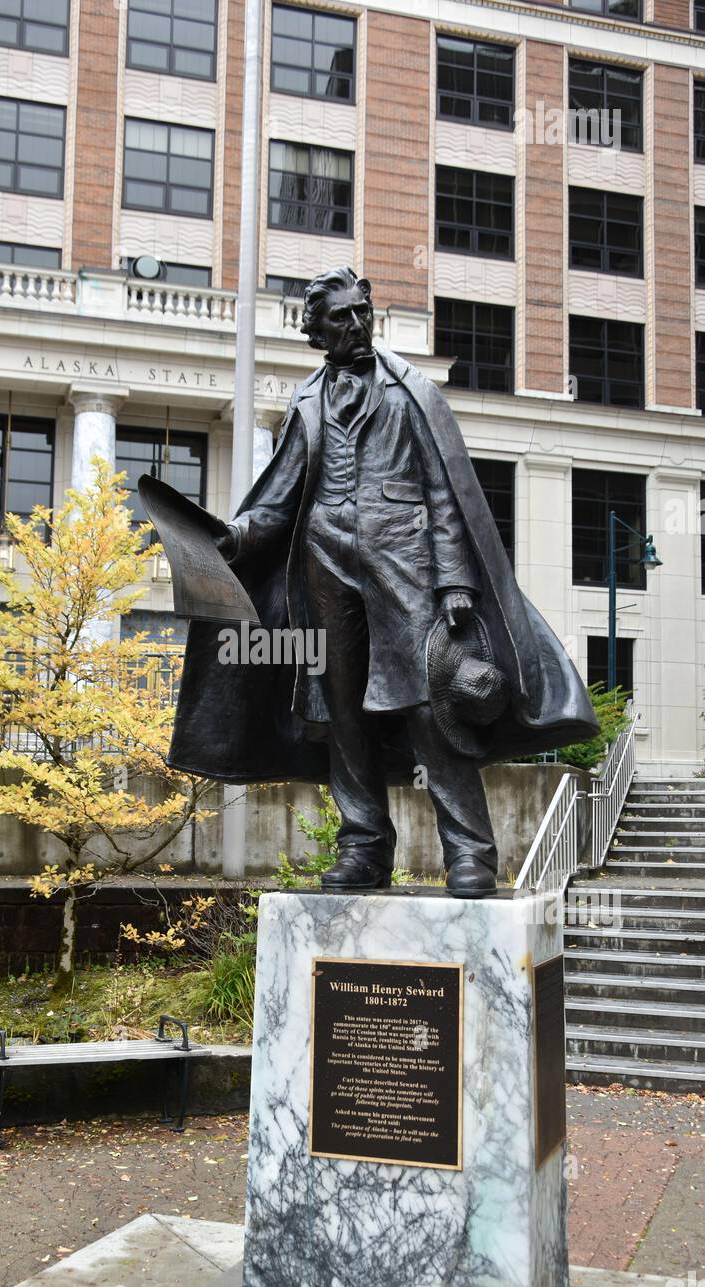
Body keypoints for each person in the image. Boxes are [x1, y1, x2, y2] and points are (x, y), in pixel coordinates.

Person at [167, 267, 597, 897]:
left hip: (407, 564)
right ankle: (365, 848)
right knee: (343, 712)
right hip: (325, 564)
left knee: (429, 704)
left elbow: (445, 492)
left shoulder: (409, 391)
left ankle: (470, 853)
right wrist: (233, 539)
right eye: (342, 317)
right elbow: (278, 501)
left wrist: (456, 582)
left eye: (363, 312)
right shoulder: (307, 402)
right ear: (318, 332)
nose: (359, 325)